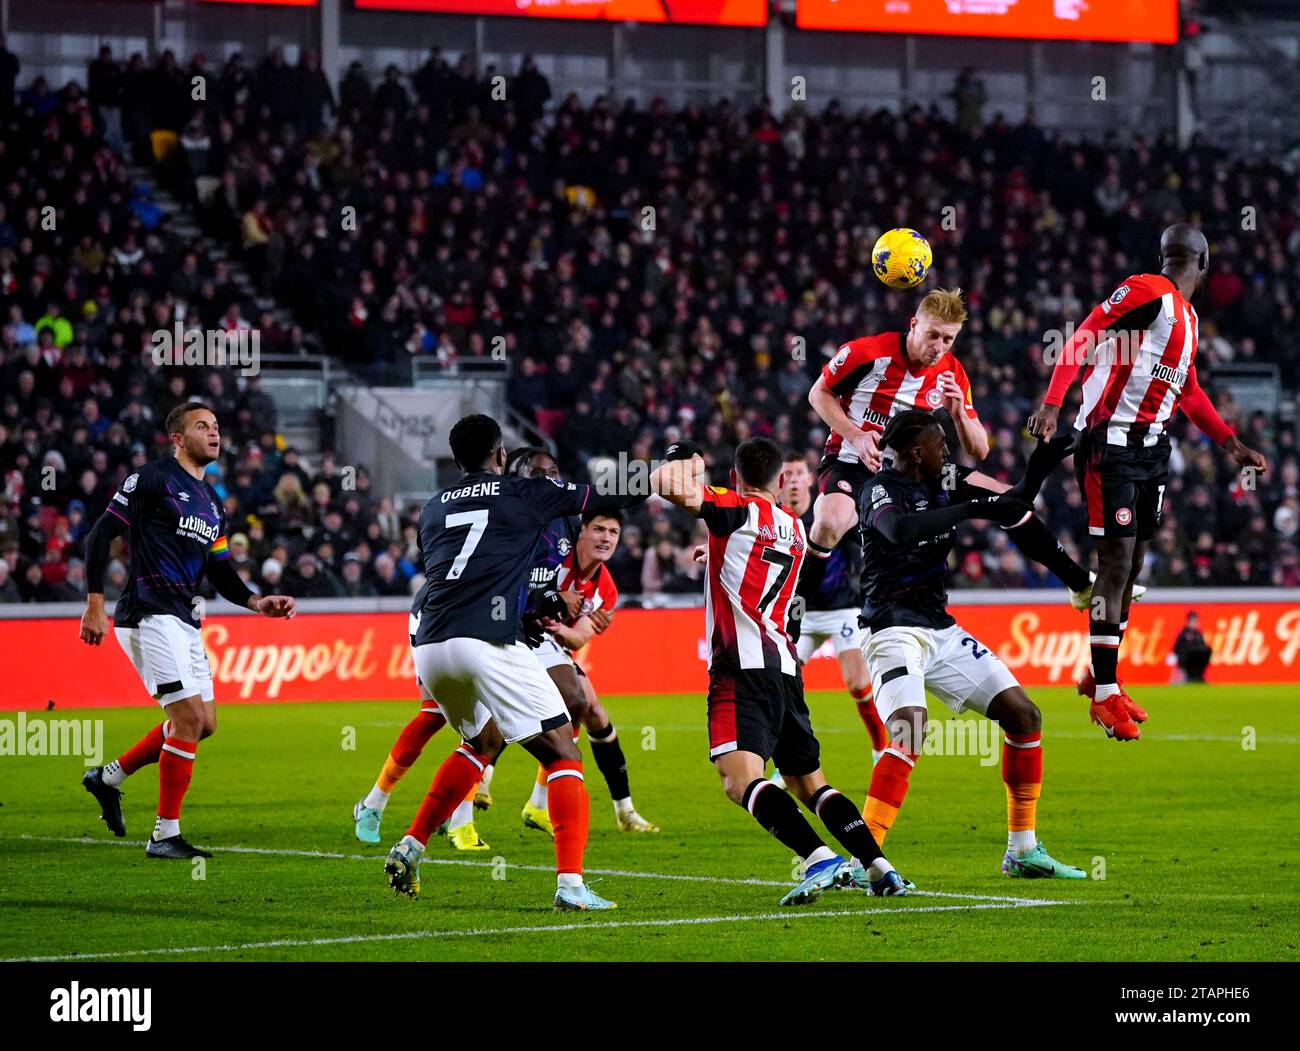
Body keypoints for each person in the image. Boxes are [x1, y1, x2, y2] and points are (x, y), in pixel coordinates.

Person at [383, 415, 642, 910]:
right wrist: (661, 477)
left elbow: (470, 565)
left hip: (432, 643)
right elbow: (606, 495)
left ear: (456, 460)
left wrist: (541, 597)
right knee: (564, 752)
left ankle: (411, 846)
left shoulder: (432, 507)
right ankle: (570, 886)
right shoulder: (521, 493)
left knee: (480, 742)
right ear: (501, 455)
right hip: (487, 640)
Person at [1028, 223, 1267, 741]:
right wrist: (1052, 404)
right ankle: (1107, 694)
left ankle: (1099, 673)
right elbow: (1084, 337)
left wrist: (1230, 443)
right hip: (1110, 443)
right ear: (1202, 263)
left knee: (1133, 567)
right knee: (1114, 564)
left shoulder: (1188, 318)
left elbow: (1189, 390)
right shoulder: (1146, 292)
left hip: (1153, 448)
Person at [650, 437, 910, 903]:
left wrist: (684, 459)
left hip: (740, 669)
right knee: (811, 783)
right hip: (786, 669)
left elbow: (661, 483)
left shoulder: (732, 511)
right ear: (778, 482)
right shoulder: (792, 528)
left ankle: (819, 858)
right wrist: (720, 554)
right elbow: (763, 567)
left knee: (739, 779)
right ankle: (880, 867)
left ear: (735, 479)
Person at [856, 410, 1085, 880]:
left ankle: (1021, 850)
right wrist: (971, 509)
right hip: (892, 629)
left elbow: (1012, 503)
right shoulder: (879, 489)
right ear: (915, 452)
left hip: (940, 629)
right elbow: (899, 530)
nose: (948, 447)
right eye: (939, 441)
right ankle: (866, 856)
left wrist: (1040, 464)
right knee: (910, 730)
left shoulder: (946, 477)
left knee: (1025, 715)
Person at [79, 402, 296, 858]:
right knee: (189, 720)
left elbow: (220, 572)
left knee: (205, 725)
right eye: (202, 426)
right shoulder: (152, 479)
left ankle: (109, 777)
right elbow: (99, 536)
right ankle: (164, 834)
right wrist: (95, 604)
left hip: (185, 618)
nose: (214, 433)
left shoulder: (214, 503)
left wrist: (257, 602)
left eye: (216, 426)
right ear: (177, 438)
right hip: (147, 613)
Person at [801, 287, 1095, 619]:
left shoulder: (951, 372)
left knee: (1008, 501)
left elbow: (980, 449)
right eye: (933, 336)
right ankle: (793, 612)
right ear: (913, 324)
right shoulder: (866, 352)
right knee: (828, 524)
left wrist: (958, 414)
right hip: (851, 461)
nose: (939, 347)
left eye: (948, 340)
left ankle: (1080, 583)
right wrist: (854, 435)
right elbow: (818, 393)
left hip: (915, 473)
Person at [551, 508, 659, 831]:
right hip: (515, 642)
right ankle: (464, 807)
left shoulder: (606, 588)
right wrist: (555, 600)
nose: (606, 538)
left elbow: (579, 638)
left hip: (551, 647)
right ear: (581, 531)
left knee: (592, 711)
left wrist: (569, 628)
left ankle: (625, 812)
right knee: (493, 729)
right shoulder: (554, 558)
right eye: (599, 529)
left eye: (613, 533)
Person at [1173, 612, 1212, 683]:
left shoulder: (1198, 634)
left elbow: (1203, 646)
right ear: (1188, 621)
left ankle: (1199, 677)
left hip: (1197, 664)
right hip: (1186, 664)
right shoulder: (1183, 634)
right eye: (1192, 620)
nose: (1194, 623)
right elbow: (1176, 649)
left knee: (1207, 650)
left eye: (1195, 621)